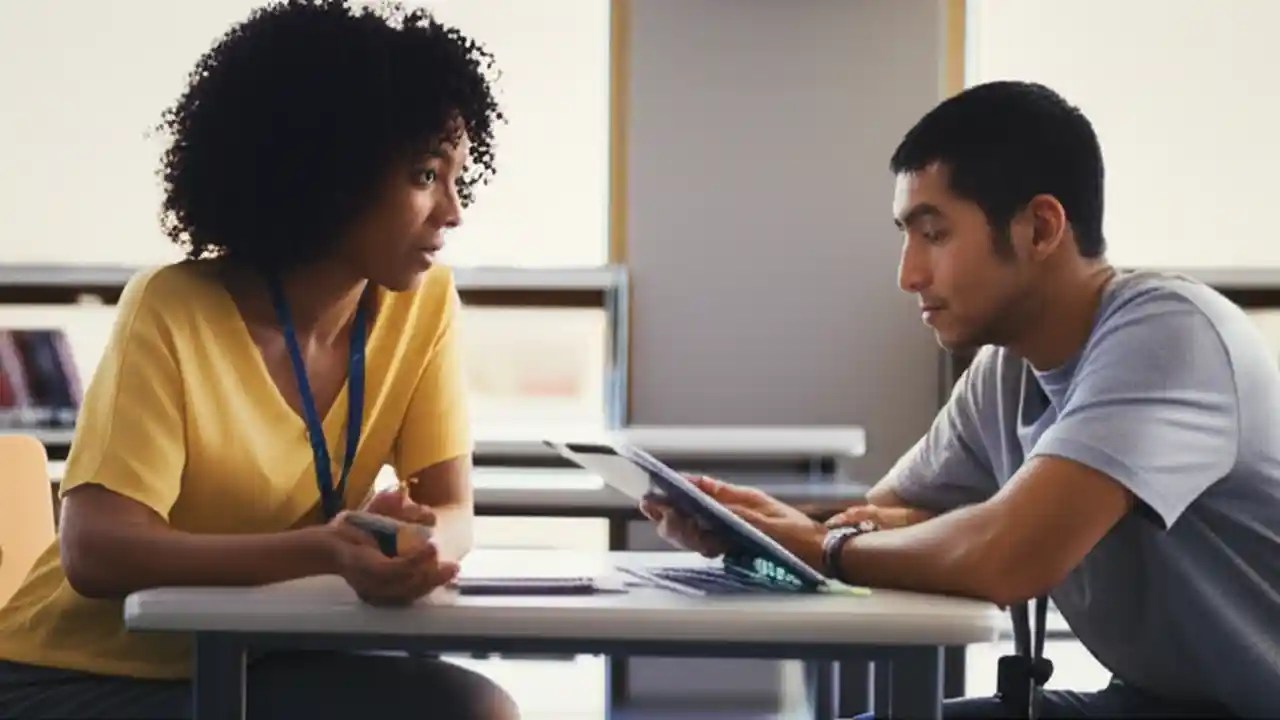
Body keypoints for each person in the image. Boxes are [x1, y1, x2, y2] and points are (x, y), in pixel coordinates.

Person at [642, 80, 1280, 719]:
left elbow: (1009, 557)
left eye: (935, 234)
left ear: (1040, 227)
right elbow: (889, 518)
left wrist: (820, 548)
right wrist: (775, 527)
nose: (908, 274)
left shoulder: (1171, 334)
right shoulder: (1005, 370)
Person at [0, 2, 517, 718]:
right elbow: (96, 550)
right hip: (78, 671)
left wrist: (412, 542)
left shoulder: (421, 307)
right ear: (333, 173)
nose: (453, 211)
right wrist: (324, 550)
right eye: (426, 175)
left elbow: (453, 507)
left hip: (258, 654)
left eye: (458, 176)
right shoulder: (172, 308)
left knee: (469, 708)